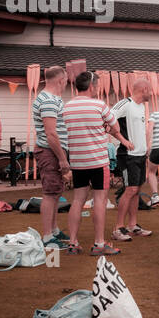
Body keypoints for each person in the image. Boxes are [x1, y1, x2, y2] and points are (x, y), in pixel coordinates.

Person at [63, 71, 129, 255]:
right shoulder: (99, 105)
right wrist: (104, 126)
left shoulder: (67, 107)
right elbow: (115, 127)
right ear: (91, 86)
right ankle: (99, 243)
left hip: (77, 160)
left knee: (77, 201)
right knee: (99, 201)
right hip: (98, 161)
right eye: (97, 86)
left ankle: (73, 243)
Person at [32, 66, 72, 246]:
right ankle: (47, 237)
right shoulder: (48, 100)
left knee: (56, 192)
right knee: (50, 193)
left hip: (53, 150)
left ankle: (54, 230)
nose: (66, 84)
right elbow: (51, 134)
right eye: (65, 81)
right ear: (60, 80)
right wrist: (63, 159)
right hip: (50, 151)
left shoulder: (53, 99)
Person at [111, 79, 153, 244]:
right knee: (130, 190)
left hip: (141, 154)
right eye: (150, 90)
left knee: (137, 190)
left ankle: (132, 225)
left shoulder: (141, 106)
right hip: (127, 155)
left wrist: (145, 148)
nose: (152, 94)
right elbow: (108, 120)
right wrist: (123, 140)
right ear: (144, 89)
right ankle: (118, 228)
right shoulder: (125, 104)